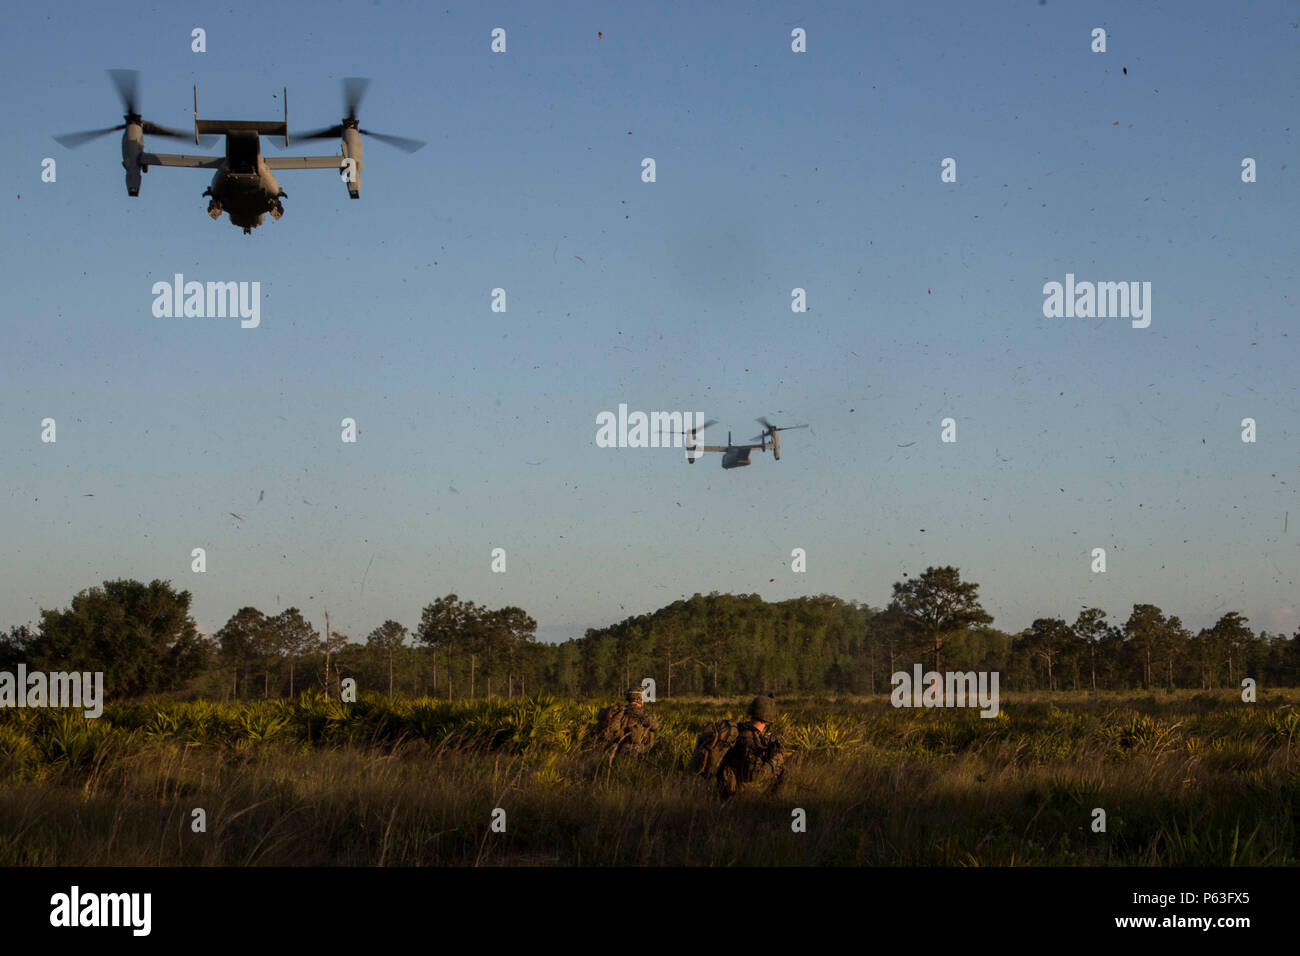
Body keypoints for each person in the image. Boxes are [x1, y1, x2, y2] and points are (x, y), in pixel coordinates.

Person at [717, 694, 785, 798]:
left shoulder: (742, 729)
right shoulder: (749, 740)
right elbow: (755, 776)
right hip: (734, 797)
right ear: (767, 718)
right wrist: (776, 759)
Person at [594, 687, 659, 757]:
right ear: (638, 699)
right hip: (630, 750)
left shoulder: (620, 710)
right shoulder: (639, 712)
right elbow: (655, 726)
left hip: (612, 747)